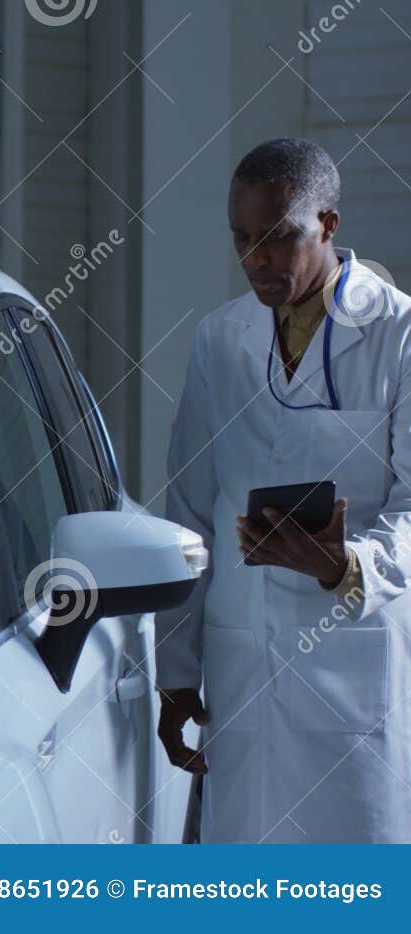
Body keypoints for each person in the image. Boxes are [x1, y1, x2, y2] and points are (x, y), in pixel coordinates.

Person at [157, 138, 411, 842]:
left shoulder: (399, 334)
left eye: (278, 237)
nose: (257, 259)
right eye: (242, 239)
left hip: (351, 657)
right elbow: (190, 507)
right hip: (241, 667)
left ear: (327, 225)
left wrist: (345, 564)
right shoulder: (220, 338)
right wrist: (175, 670)